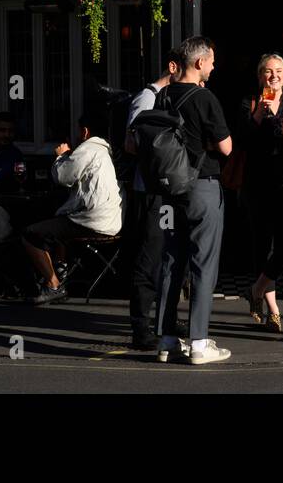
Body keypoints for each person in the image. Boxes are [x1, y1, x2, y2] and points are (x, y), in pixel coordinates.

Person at [152, 36, 234, 365]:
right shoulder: (205, 97)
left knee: (171, 262)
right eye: (211, 61)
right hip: (202, 186)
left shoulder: (162, 97)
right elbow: (226, 147)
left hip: (169, 191)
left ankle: (167, 338)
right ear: (199, 63)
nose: (213, 67)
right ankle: (199, 342)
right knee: (204, 263)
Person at [22, 106, 123, 305]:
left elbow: (63, 176)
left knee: (29, 235)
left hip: (92, 221)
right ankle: (61, 273)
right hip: (110, 222)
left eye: (78, 131)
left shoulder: (88, 148)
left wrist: (61, 156)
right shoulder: (105, 151)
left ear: (85, 131)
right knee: (59, 220)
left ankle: (53, 285)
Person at [241, 52, 283, 332]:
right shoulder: (250, 102)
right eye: (268, 71)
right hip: (257, 182)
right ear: (260, 76)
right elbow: (241, 141)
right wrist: (258, 114)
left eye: (279, 70)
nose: (274, 76)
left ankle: (256, 289)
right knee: (262, 244)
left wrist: (276, 118)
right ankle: (273, 310)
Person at [123, 51, 181, 350]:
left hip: (169, 189)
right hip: (151, 190)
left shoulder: (171, 97)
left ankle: (165, 318)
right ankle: (140, 327)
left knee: (168, 256)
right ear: (172, 67)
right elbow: (130, 143)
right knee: (150, 256)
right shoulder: (147, 98)